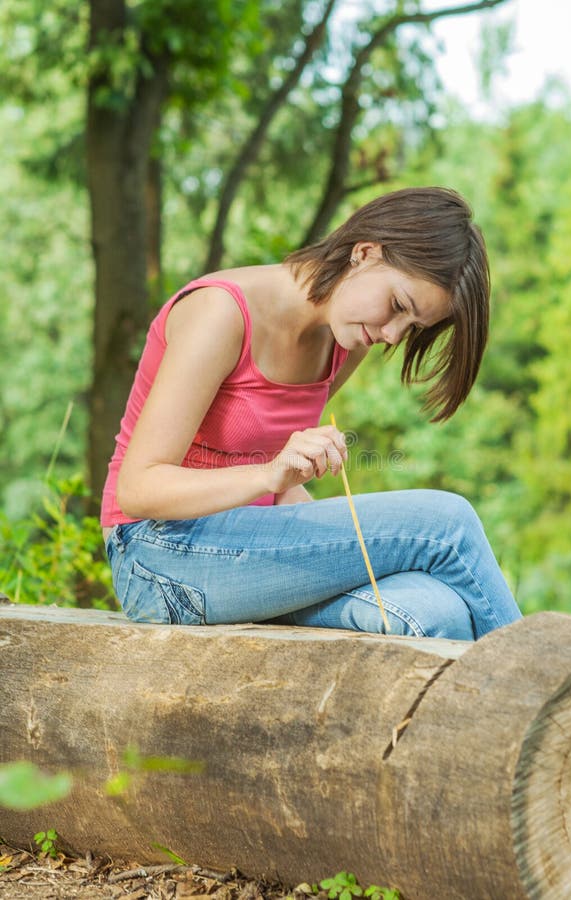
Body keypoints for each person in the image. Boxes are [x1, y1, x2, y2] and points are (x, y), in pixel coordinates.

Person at [101, 186, 522, 640]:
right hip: (156, 553)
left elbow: (283, 487)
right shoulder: (221, 312)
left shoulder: (346, 338)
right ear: (365, 252)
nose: (393, 335)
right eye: (399, 306)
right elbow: (139, 489)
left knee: (436, 612)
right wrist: (269, 475)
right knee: (446, 523)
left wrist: (308, 518)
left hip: (242, 552)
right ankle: (546, 694)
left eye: (412, 326)